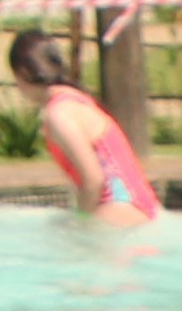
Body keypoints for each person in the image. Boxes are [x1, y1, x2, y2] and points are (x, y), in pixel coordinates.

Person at [12, 27, 159, 223]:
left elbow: (93, 180)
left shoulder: (59, 115)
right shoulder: (77, 98)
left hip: (119, 208)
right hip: (140, 207)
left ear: (22, 73)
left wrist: (80, 222)